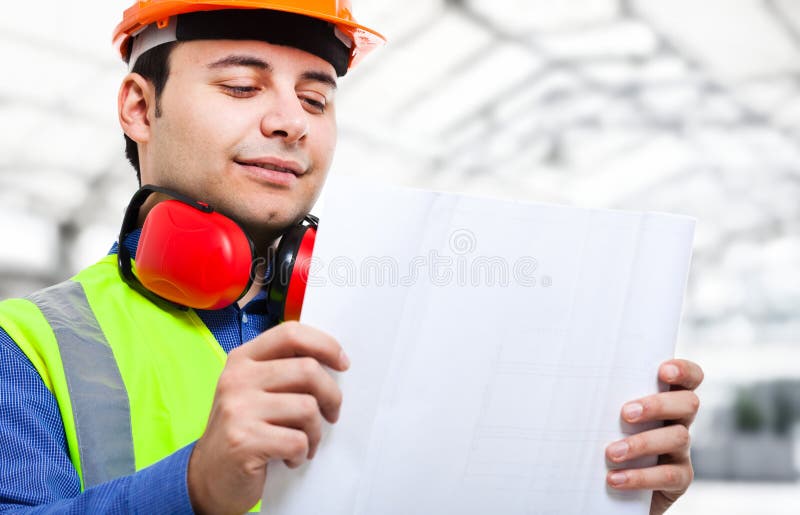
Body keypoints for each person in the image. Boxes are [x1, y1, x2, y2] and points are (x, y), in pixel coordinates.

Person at [0, 1, 703, 513]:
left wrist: (598, 486)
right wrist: (192, 487)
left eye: (315, 97)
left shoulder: (409, 318)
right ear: (137, 106)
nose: (290, 121)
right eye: (242, 86)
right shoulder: (30, 343)